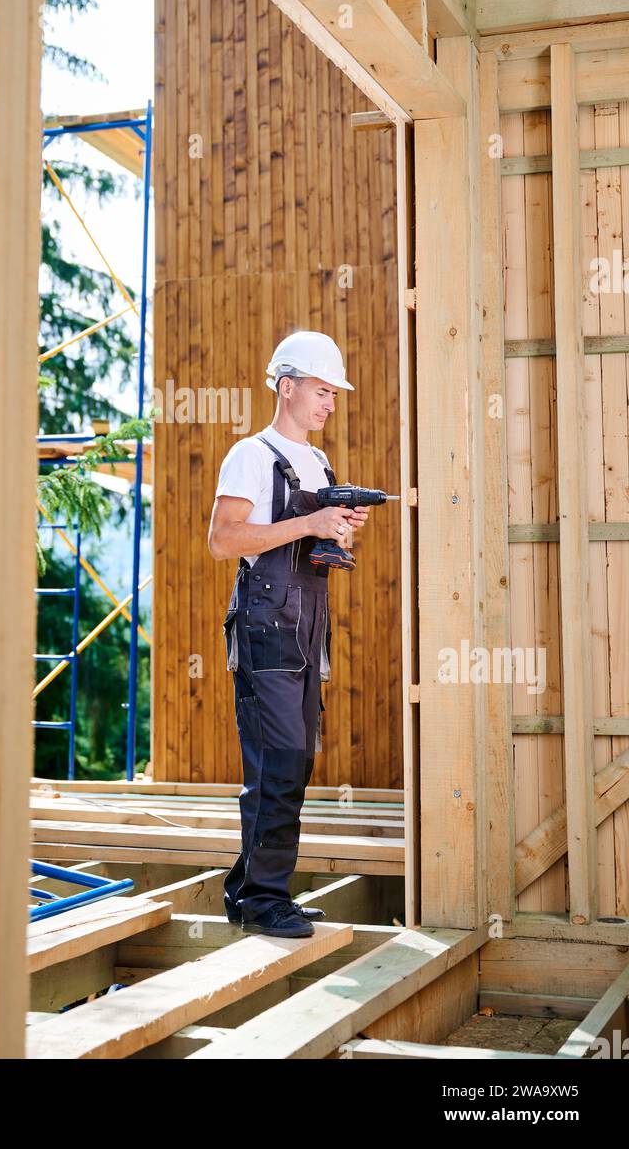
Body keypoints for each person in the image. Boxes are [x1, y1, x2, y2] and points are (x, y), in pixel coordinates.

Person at [207, 331, 369, 937]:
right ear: (288, 387)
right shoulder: (251, 454)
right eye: (323, 391)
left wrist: (333, 536)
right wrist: (309, 521)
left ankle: (257, 890)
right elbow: (224, 541)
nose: (330, 403)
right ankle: (262, 898)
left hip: (306, 631)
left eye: (334, 393)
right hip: (266, 631)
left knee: (296, 761)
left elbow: (298, 543)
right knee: (277, 761)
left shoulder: (318, 463)